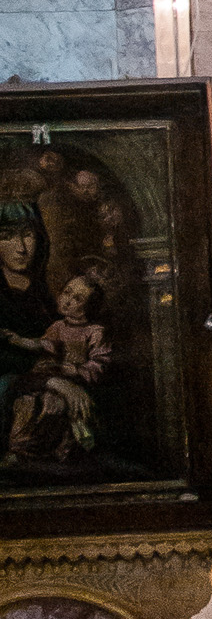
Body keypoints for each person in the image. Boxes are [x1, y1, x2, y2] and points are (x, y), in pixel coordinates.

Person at [6, 272, 111, 462]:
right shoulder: (57, 327)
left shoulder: (95, 332)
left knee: (54, 404)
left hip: (79, 383)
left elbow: (100, 364)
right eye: (67, 292)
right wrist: (19, 340)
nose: (68, 301)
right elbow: (42, 344)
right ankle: (19, 447)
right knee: (26, 402)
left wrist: (75, 370)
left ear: (90, 306)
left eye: (78, 298)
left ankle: (56, 449)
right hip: (52, 377)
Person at [0, 197, 57, 431]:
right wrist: (49, 381)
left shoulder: (43, 293)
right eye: (7, 237)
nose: (21, 248)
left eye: (28, 235)